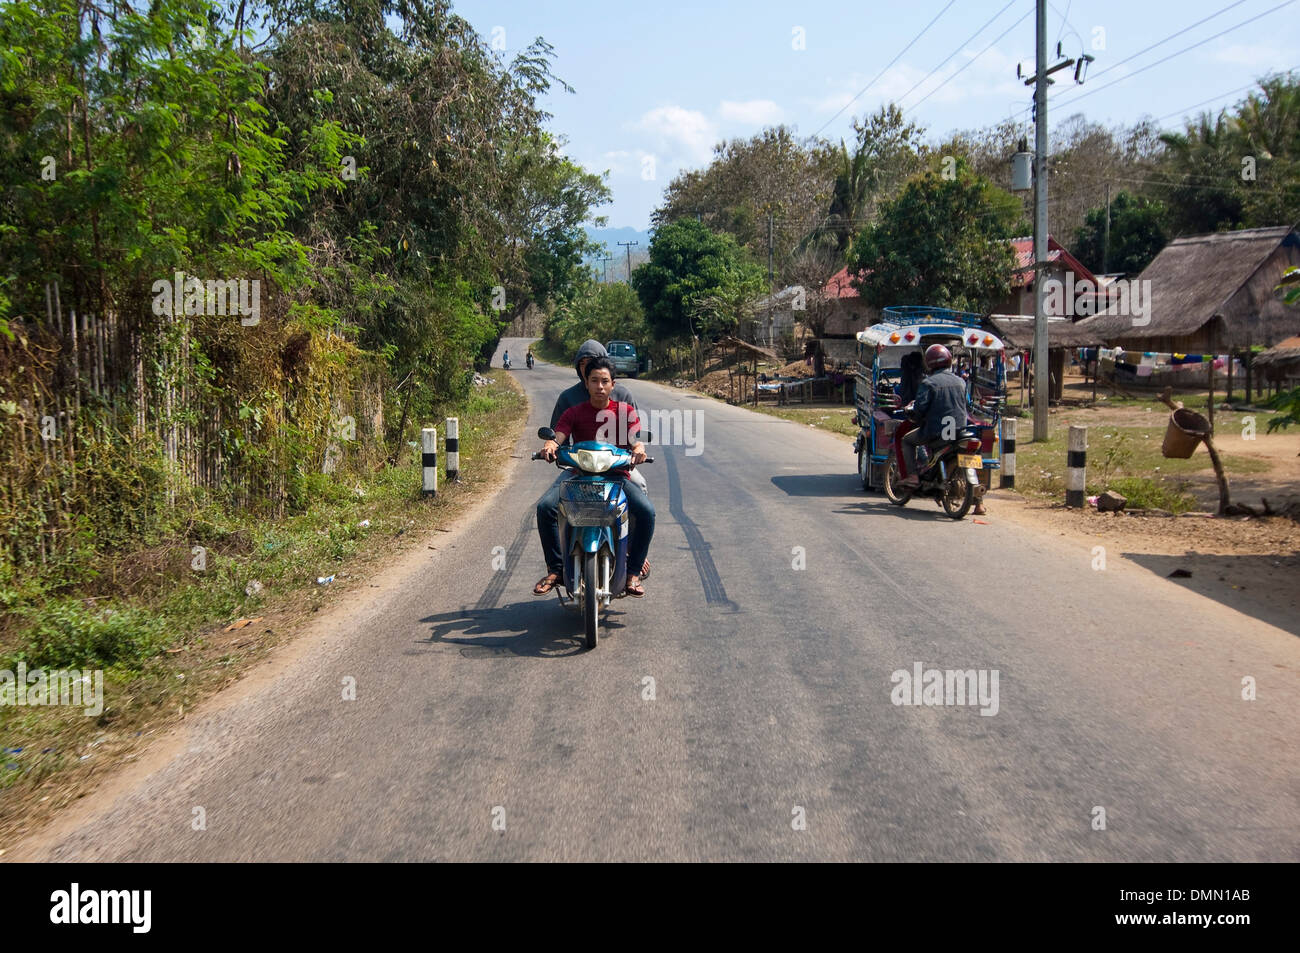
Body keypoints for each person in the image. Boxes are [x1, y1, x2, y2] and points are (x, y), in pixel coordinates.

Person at [535, 340, 648, 595]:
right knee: (545, 508)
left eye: (603, 380)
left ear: (612, 384)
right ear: (584, 378)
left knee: (646, 507)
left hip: (617, 471)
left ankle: (633, 563)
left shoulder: (625, 406)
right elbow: (558, 434)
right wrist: (552, 446)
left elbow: (635, 438)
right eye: (590, 374)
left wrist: (638, 450)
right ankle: (556, 567)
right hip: (579, 470)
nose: (598, 385)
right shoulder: (572, 407)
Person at [900, 344, 968, 488]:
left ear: (929, 362)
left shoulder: (928, 383)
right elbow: (966, 403)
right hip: (960, 431)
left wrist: (914, 413)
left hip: (936, 432)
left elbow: (920, 408)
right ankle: (978, 502)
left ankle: (912, 476)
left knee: (907, 440)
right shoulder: (961, 382)